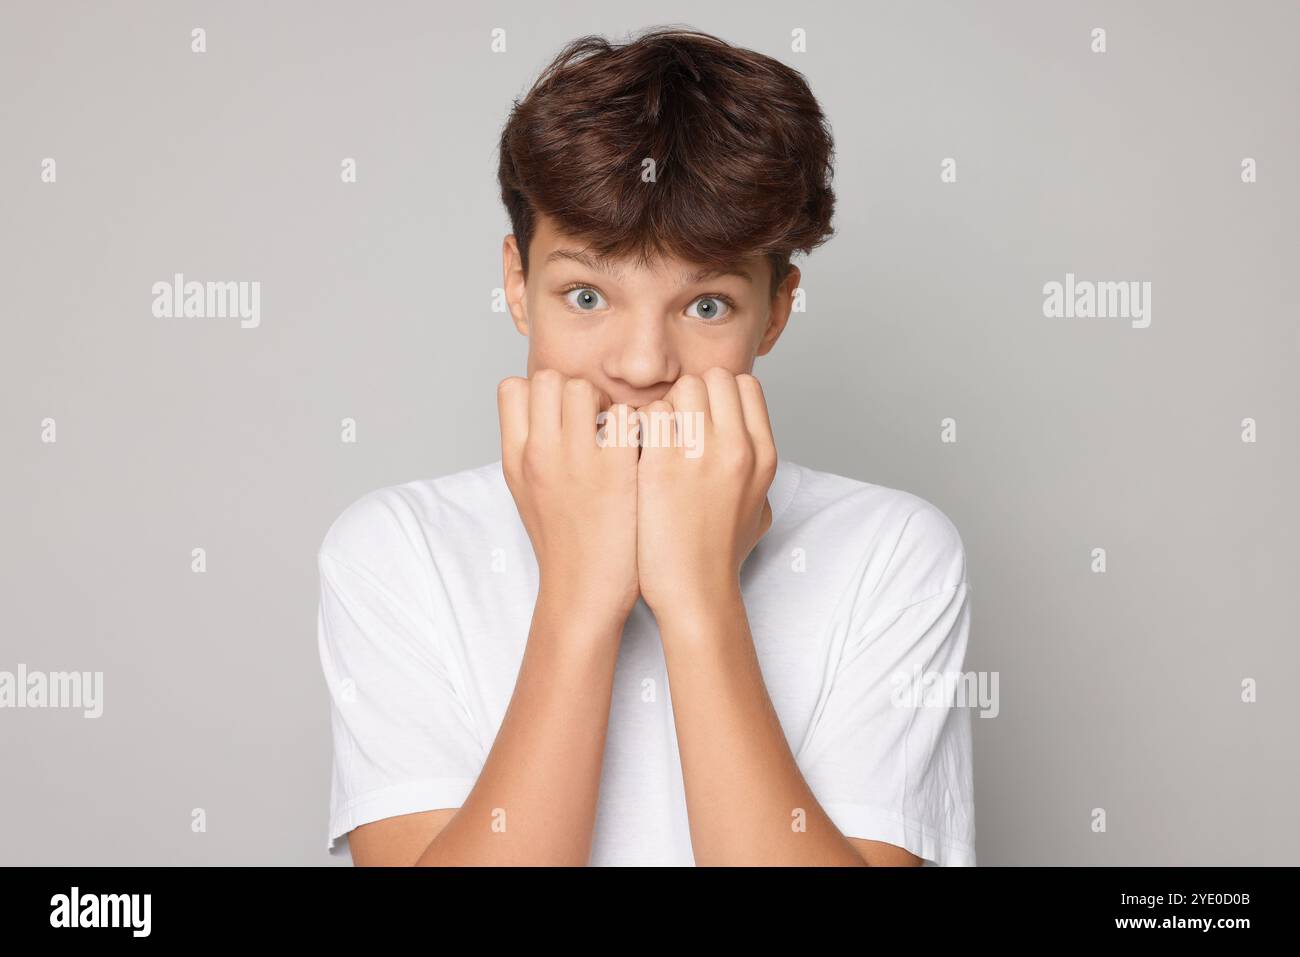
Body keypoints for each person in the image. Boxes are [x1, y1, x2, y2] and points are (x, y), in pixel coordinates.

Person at [317, 26, 976, 866]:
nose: (641, 365)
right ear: (518, 285)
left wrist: (699, 597)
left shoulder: (891, 553)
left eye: (706, 306)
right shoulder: (398, 549)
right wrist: (581, 594)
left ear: (775, 310)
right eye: (587, 294)